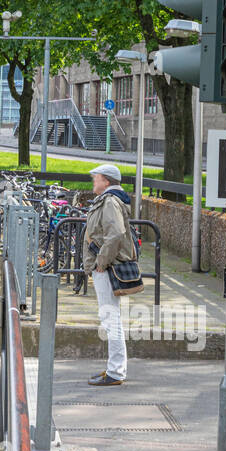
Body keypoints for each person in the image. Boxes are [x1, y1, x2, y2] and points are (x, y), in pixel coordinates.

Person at [83, 163, 138, 387]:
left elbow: (115, 233)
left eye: (96, 178)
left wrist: (101, 262)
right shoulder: (108, 200)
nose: (93, 181)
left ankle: (116, 371)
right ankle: (114, 368)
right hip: (105, 266)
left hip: (107, 267)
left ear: (106, 180)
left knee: (110, 317)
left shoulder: (109, 201)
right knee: (110, 317)